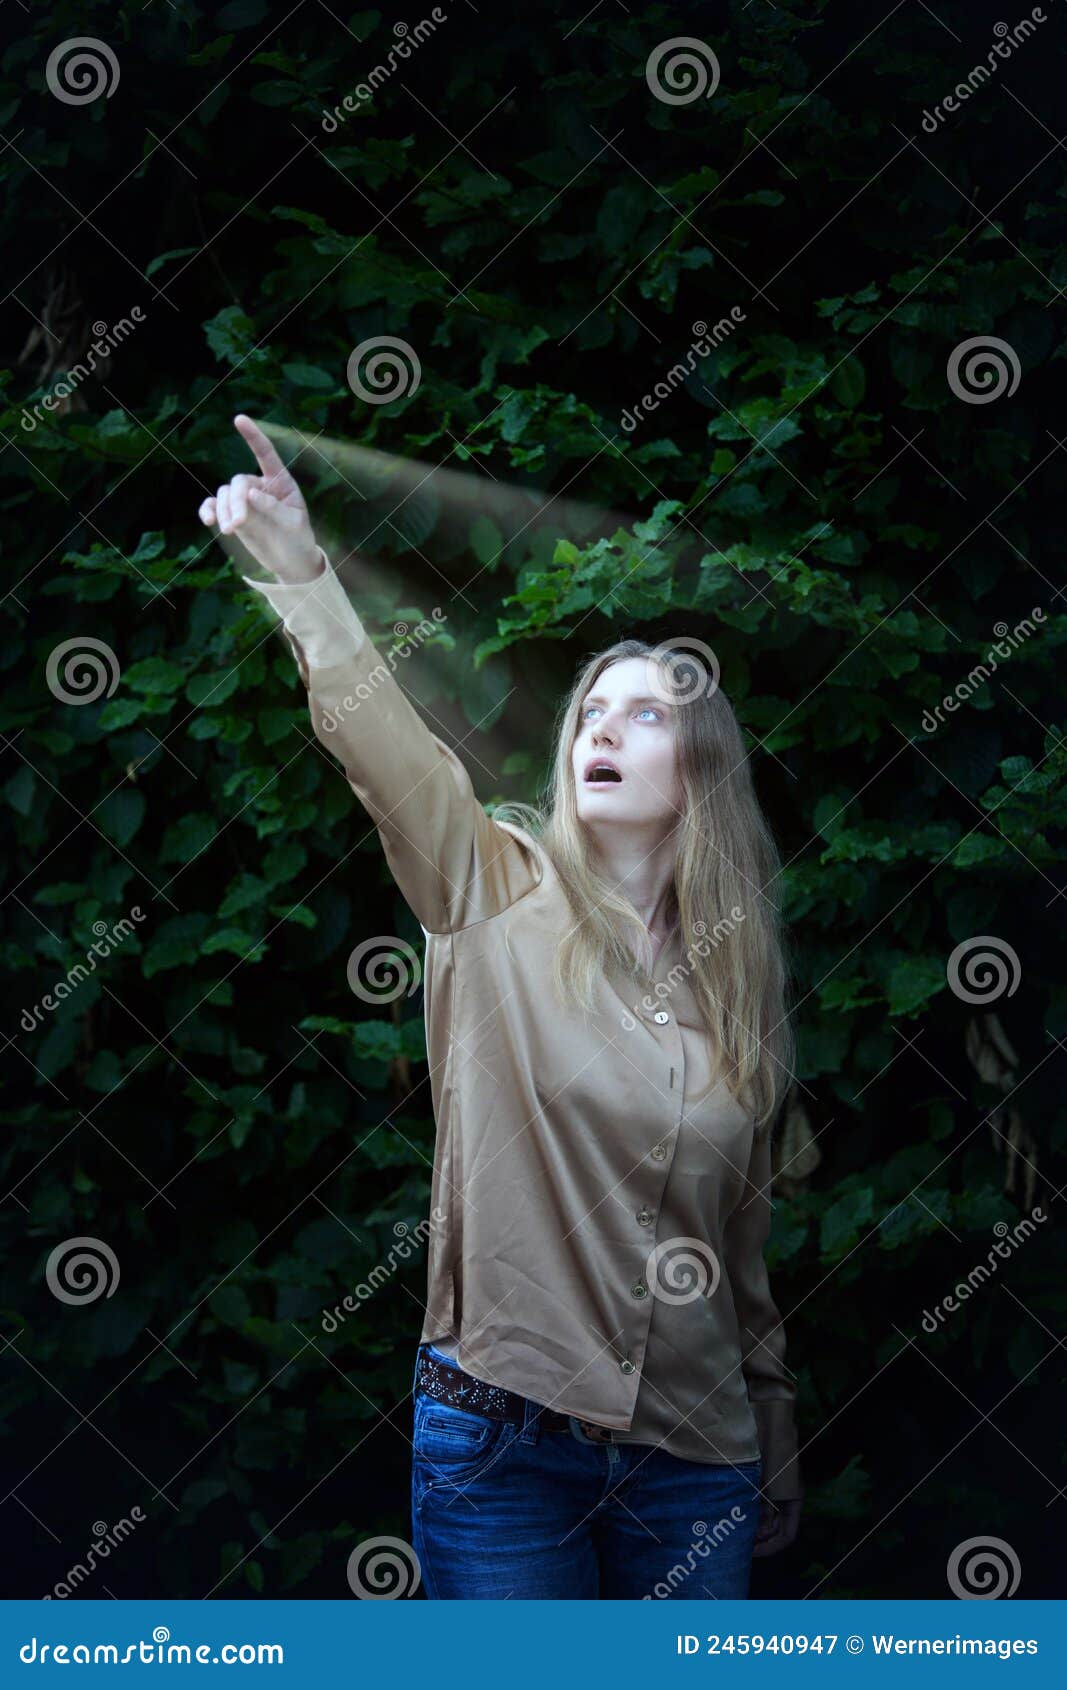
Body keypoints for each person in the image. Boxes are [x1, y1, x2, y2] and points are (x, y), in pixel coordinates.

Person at [199, 412, 804, 1600]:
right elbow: (387, 750)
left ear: (701, 774)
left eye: (645, 714)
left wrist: (772, 1433)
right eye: (590, 709)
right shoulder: (490, 887)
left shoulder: (738, 988)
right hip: (502, 1451)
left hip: (698, 1463)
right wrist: (304, 574)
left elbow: (738, 1267)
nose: (602, 728)